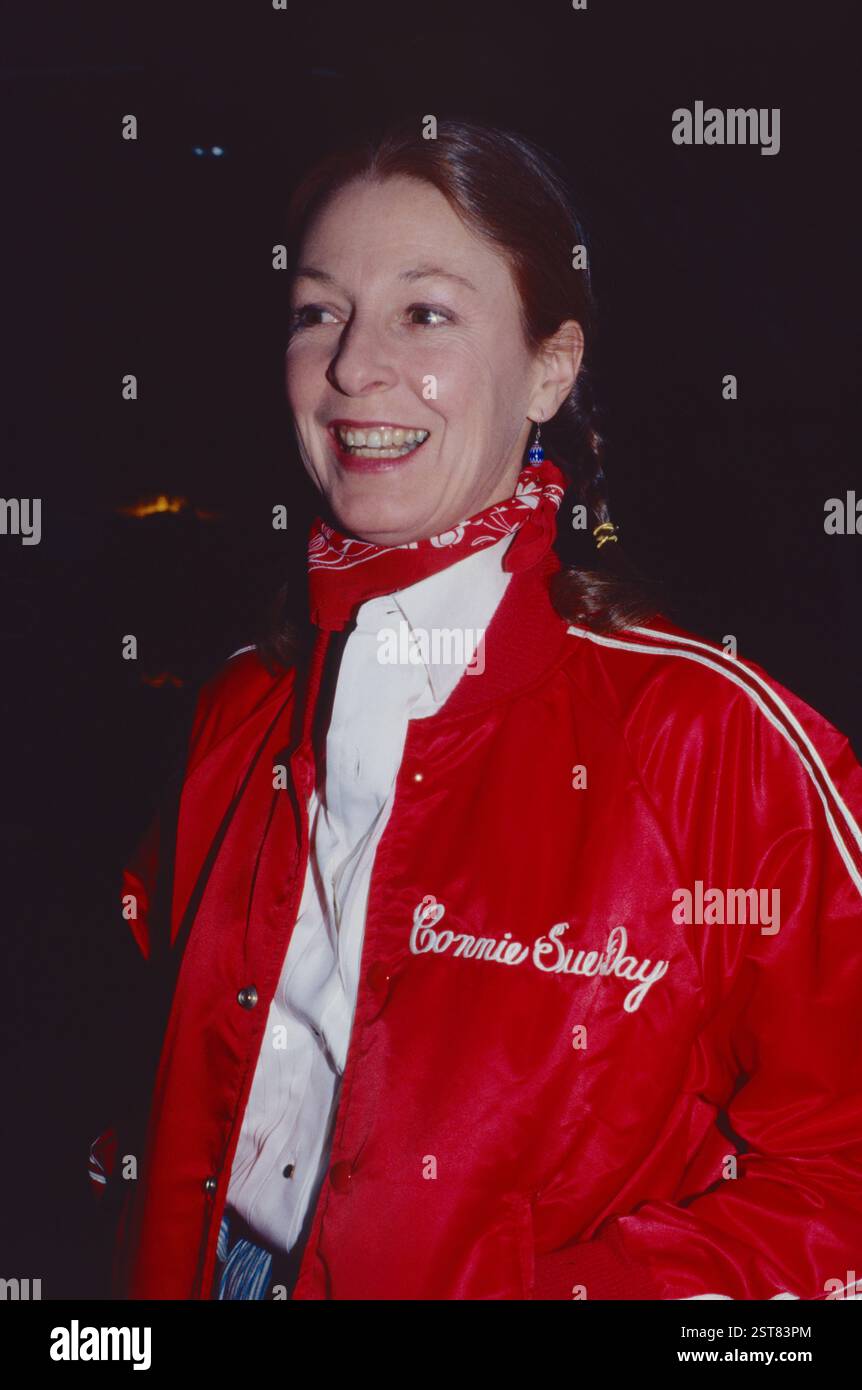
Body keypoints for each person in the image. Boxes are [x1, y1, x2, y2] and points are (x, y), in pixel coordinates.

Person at [94, 118, 862, 1301]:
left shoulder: (716, 740)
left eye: (426, 312)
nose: (353, 367)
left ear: (550, 369)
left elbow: (837, 1179)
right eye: (317, 311)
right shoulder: (241, 703)